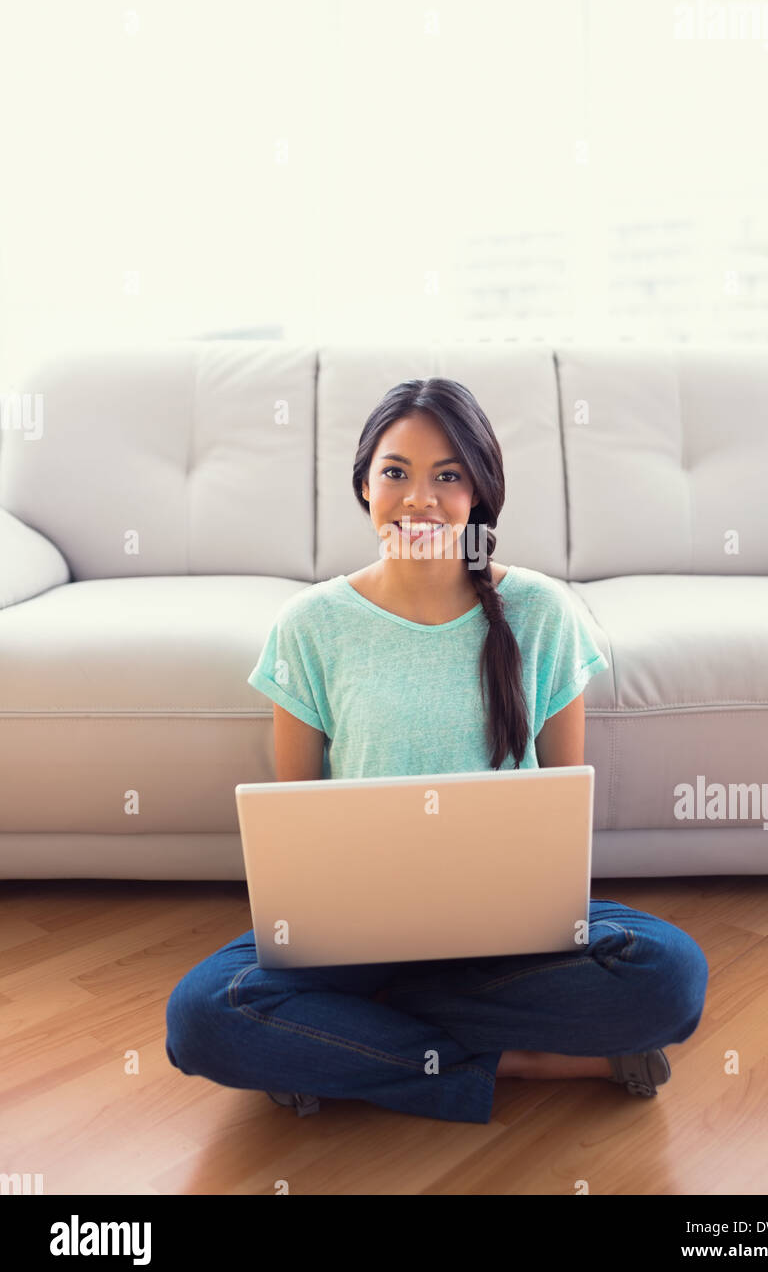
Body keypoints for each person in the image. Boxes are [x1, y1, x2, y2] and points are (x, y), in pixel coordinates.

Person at [165, 377, 709, 1124]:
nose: (418, 498)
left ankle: (350, 1047)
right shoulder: (310, 627)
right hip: (350, 935)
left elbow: (559, 816)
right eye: (396, 472)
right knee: (203, 1015)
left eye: (447, 475)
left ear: (479, 491)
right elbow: (290, 832)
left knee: (669, 976)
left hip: (507, 935)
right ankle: (517, 1062)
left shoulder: (544, 614)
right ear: (364, 485)